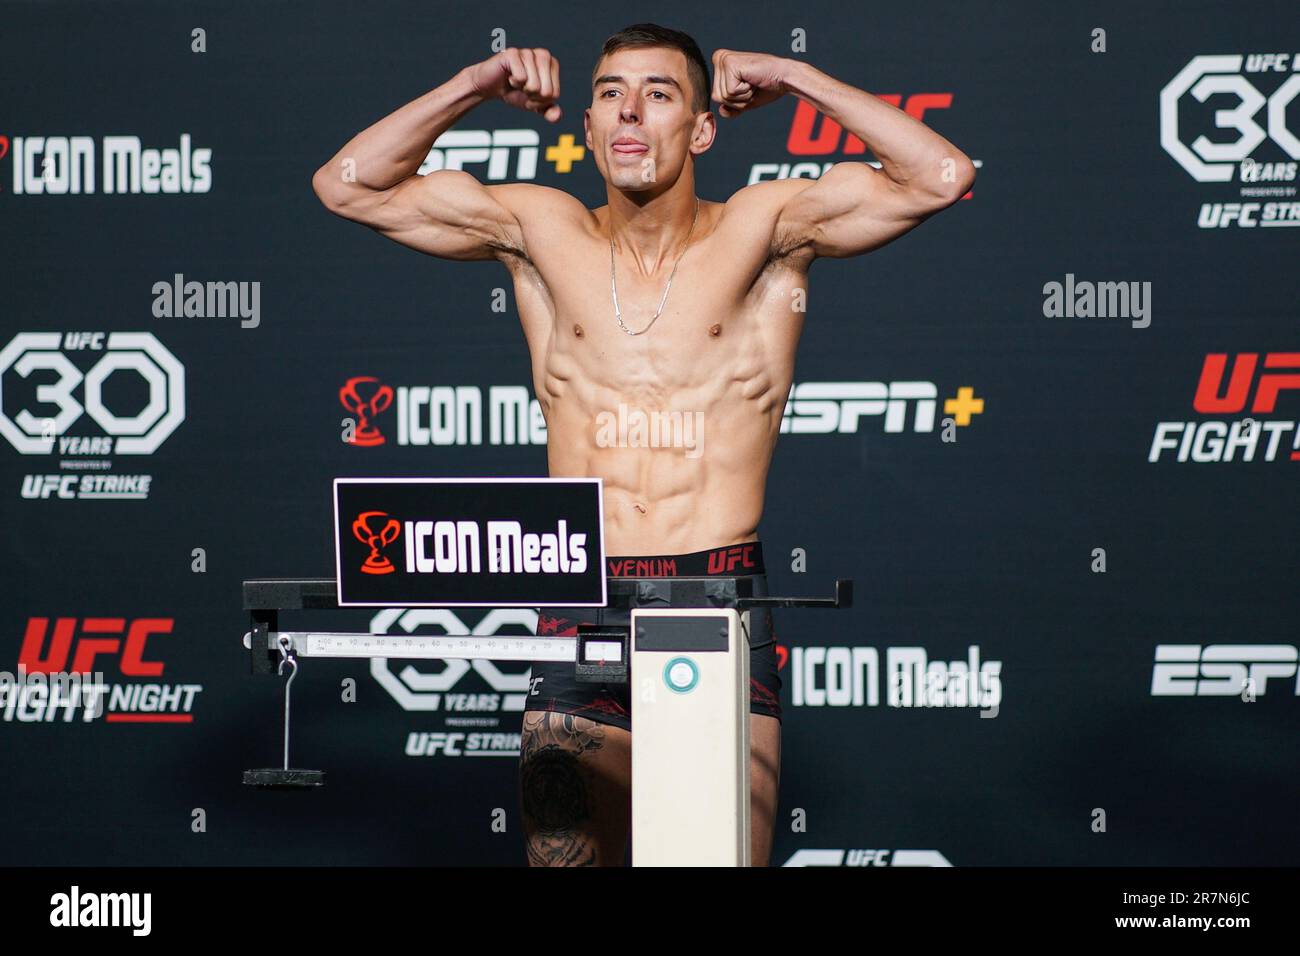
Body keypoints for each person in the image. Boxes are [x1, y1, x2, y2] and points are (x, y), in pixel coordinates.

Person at [312, 22, 974, 866]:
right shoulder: (539, 232)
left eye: (659, 94)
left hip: (717, 593)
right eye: (610, 95)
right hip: (579, 602)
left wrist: (795, 73)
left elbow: (942, 175)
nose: (631, 112)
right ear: (586, 127)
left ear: (701, 129)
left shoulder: (766, 231)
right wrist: (473, 83)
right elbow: (345, 185)